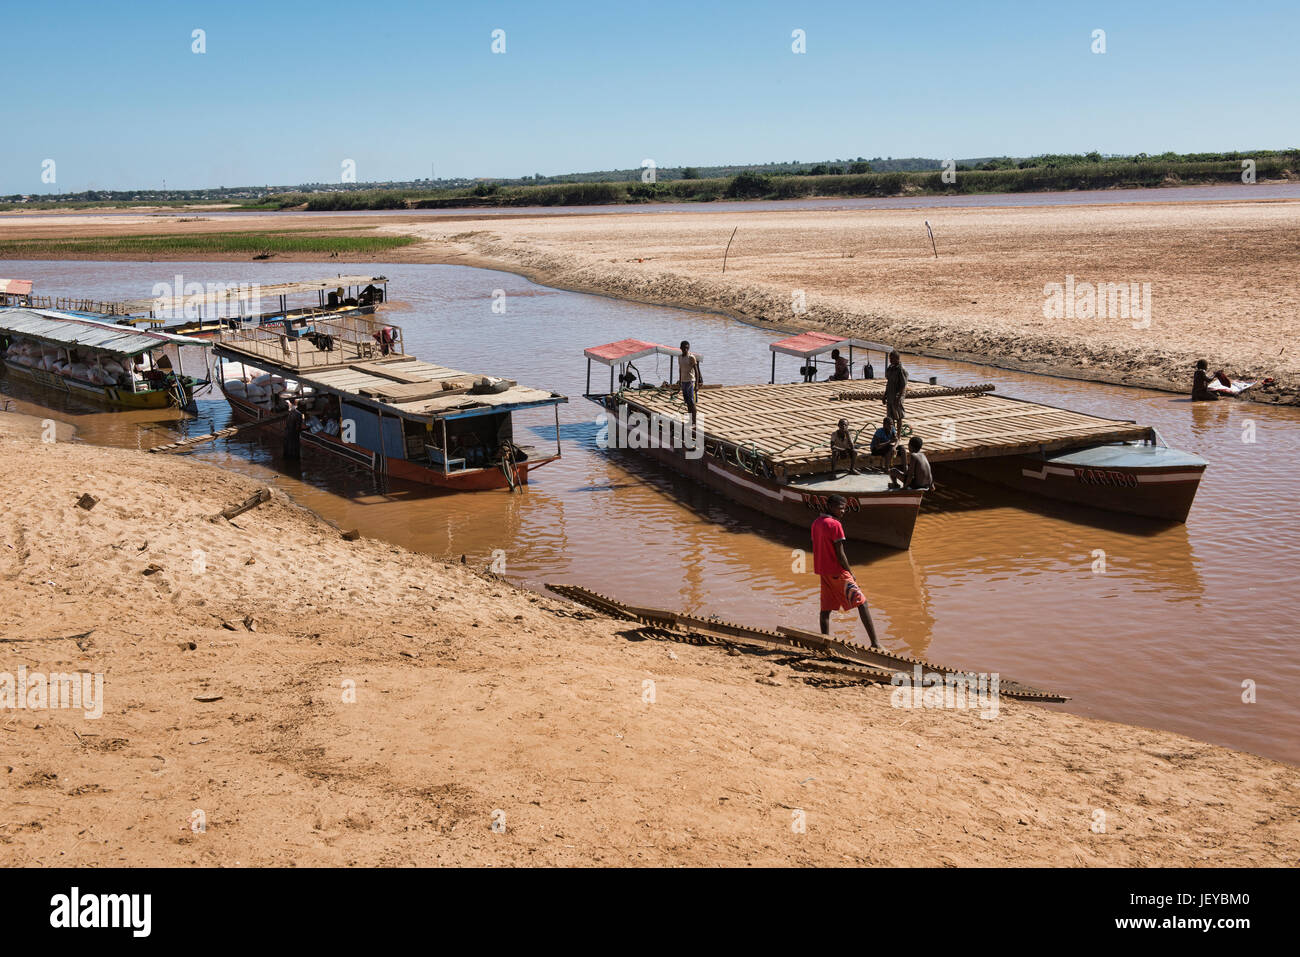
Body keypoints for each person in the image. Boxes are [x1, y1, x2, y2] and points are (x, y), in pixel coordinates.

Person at [811, 495, 880, 648]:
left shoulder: (816, 523)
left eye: (844, 508)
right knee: (862, 603)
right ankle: (875, 644)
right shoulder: (835, 525)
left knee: (826, 609)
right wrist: (851, 573)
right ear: (830, 507)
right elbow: (840, 554)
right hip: (837, 572)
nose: (843, 511)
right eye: (840, 508)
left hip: (824, 572)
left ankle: (825, 642)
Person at [678, 340, 703, 424]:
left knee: (692, 402)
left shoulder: (691, 357)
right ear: (680, 348)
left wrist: (696, 385)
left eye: (687, 348)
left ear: (688, 348)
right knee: (687, 402)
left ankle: (694, 422)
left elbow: (696, 371)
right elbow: (680, 369)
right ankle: (690, 420)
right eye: (684, 348)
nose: (685, 349)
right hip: (684, 381)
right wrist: (680, 382)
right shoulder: (680, 357)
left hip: (690, 382)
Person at [884, 349, 908, 434]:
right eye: (890, 358)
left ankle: (898, 435)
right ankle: (892, 433)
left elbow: (903, 385)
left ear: (897, 359)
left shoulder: (901, 370)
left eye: (892, 358)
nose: (890, 360)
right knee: (890, 417)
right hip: (890, 396)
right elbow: (889, 382)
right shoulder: (890, 368)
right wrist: (885, 395)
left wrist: (898, 398)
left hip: (897, 396)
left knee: (898, 416)